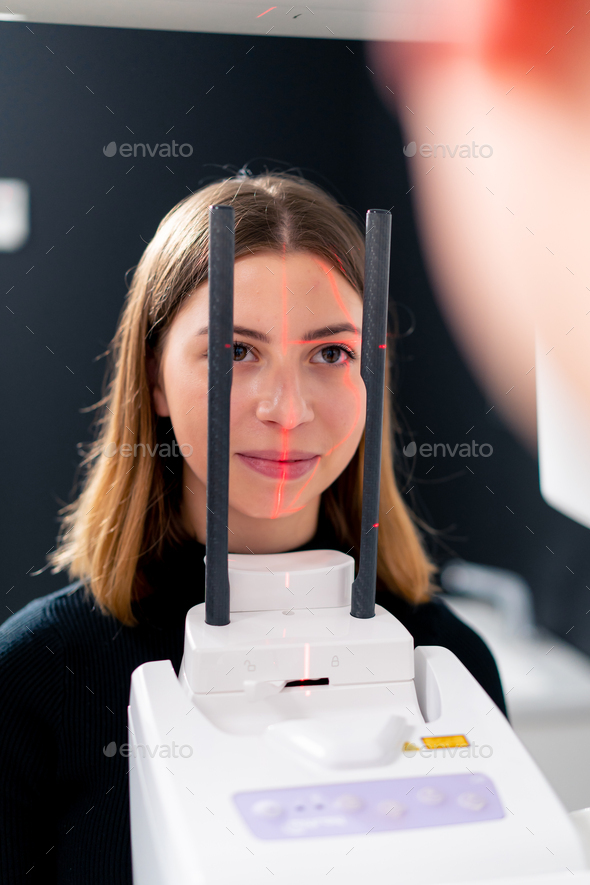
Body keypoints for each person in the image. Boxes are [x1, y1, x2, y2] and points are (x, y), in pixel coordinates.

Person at [0, 169, 506, 884]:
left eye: (331, 353)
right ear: (153, 378)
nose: (288, 408)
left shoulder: (447, 663)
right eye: (236, 352)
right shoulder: (35, 679)